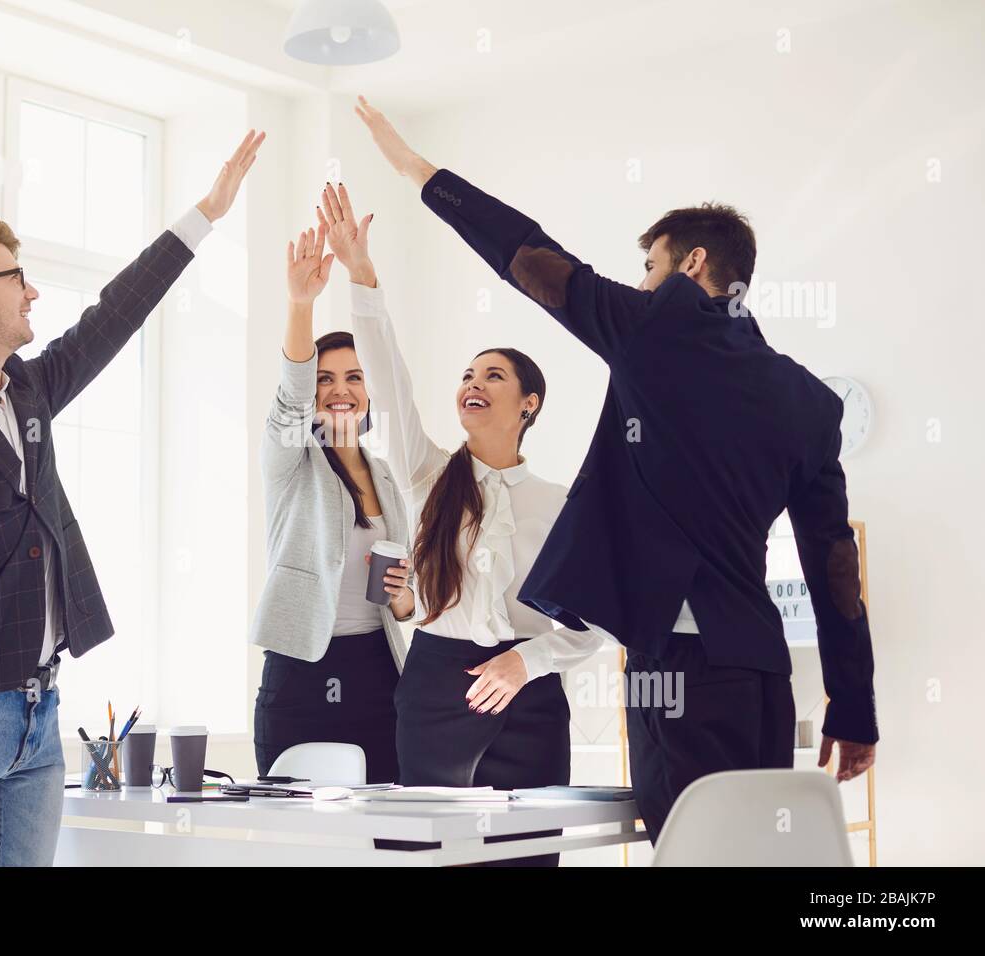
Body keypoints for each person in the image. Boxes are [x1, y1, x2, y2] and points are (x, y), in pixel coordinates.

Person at [354, 95, 879, 843]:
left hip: (678, 666)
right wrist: (852, 707)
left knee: (687, 850)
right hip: (759, 673)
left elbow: (527, 256)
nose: (638, 284)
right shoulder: (809, 401)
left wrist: (415, 169)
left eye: (650, 266)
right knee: (759, 851)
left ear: (691, 265)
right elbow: (835, 568)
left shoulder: (654, 329)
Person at [0, 131, 265, 866]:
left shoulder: (33, 389)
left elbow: (115, 314)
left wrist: (205, 213)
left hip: (39, 716)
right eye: (18, 277)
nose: (34, 290)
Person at [321, 182, 600, 866]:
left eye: (495, 375)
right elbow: (387, 377)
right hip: (435, 688)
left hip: (529, 695)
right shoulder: (425, 472)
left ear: (529, 404)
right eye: (468, 373)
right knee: (434, 856)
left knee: (526, 859)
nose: (473, 381)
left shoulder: (562, 504)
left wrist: (526, 660)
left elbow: (595, 623)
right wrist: (362, 276)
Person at [249, 221, 414, 787]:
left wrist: (404, 598)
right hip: (299, 670)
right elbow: (288, 398)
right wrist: (301, 304)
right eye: (324, 379)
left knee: (380, 835)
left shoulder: (386, 475)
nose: (339, 389)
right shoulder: (291, 458)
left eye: (352, 377)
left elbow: (406, 601)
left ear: (369, 391)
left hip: (379, 673)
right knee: (296, 836)